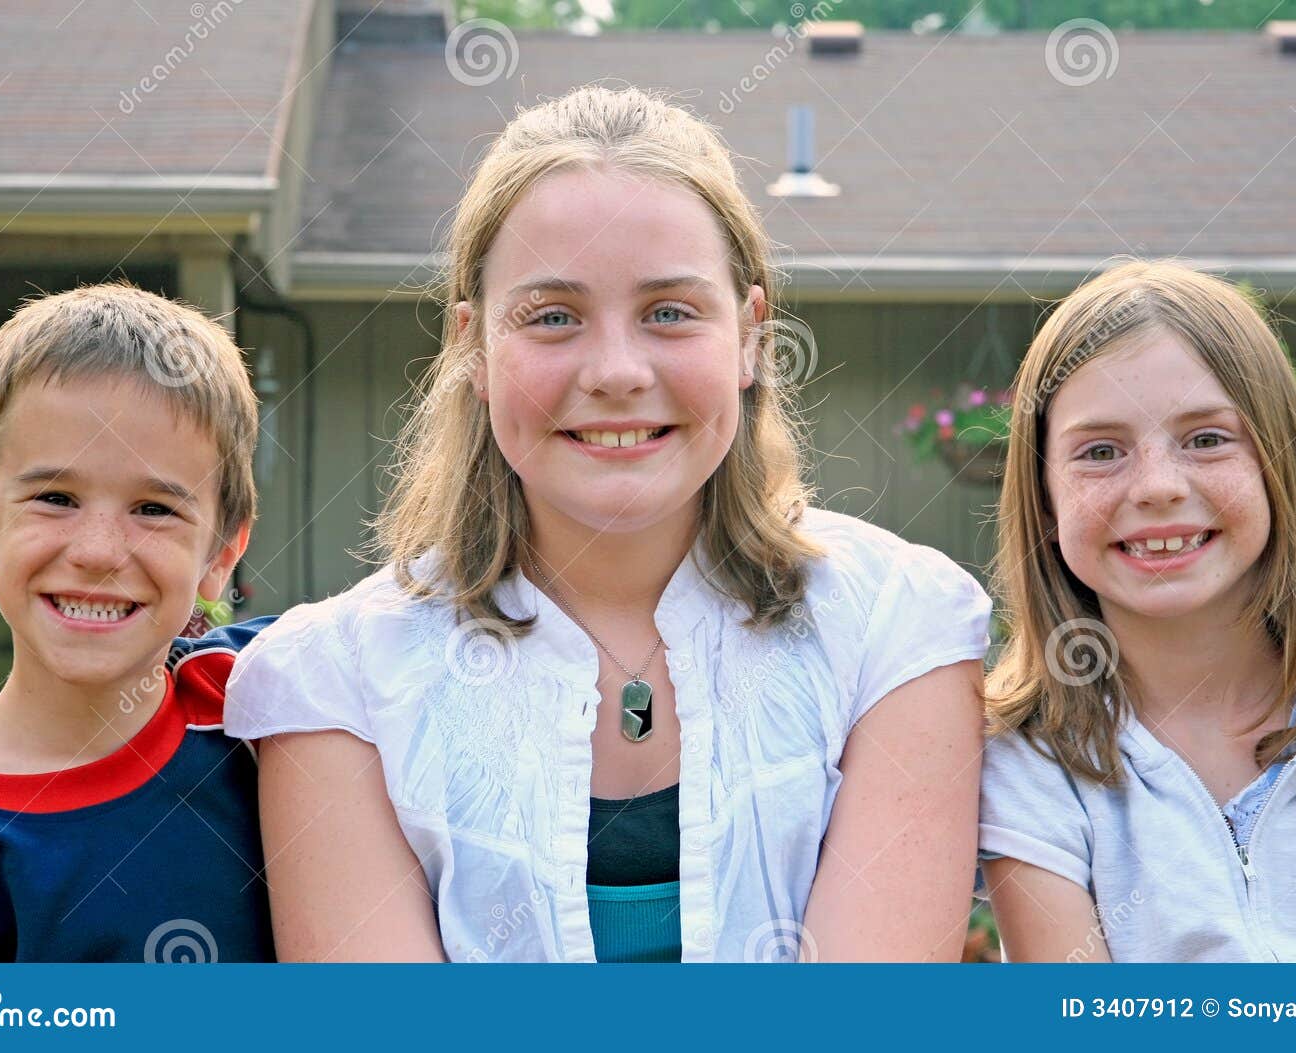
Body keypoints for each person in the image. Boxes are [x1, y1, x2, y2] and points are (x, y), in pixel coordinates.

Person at [224, 84, 992, 962]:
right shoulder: (336, 682)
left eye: (670, 312)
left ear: (750, 336)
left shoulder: (896, 628)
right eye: (553, 317)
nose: (617, 371)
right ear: (474, 350)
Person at [979, 260, 1296, 962]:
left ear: (1280, 466)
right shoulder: (1023, 760)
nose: (1158, 486)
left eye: (1207, 439)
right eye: (1101, 451)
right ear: (1043, 499)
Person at [0, 284, 275, 962]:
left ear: (221, 555)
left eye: (154, 509)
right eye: (55, 497)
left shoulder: (265, 703)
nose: (98, 551)